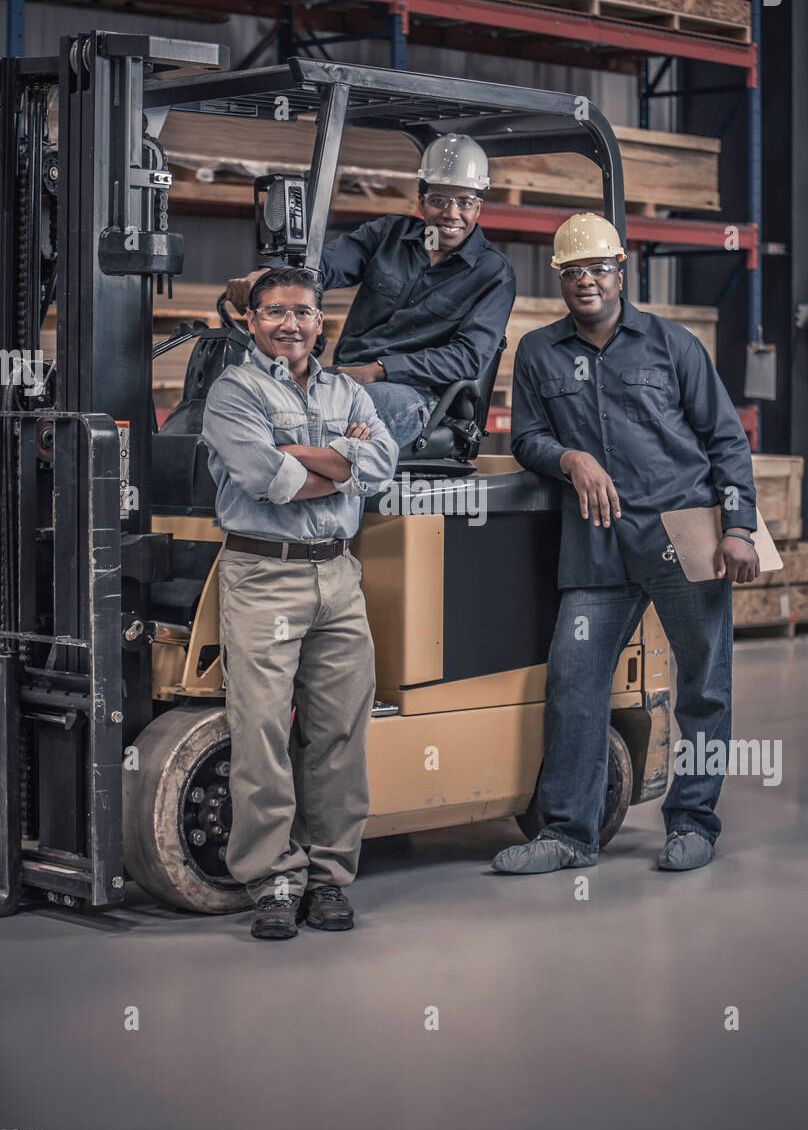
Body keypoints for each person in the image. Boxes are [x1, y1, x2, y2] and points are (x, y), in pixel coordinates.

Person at [491, 213, 760, 878]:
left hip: (685, 534)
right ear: (560, 279)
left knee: (704, 685)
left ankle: (694, 823)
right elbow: (525, 438)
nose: (587, 281)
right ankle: (569, 834)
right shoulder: (538, 352)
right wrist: (569, 458)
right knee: (575, 683)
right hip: (597, 543)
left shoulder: (674, 346)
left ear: (621, 271)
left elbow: (725, 438)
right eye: (573, 271)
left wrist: (739, 526)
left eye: (598, 269)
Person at [201, 266, 398, 940]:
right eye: (276, 312)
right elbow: (266, 478)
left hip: (339, 577)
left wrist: (313, 462)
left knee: (341, 733)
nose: (291, 323)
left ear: (321, 321)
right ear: (252, 320)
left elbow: (382, 468)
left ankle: (329, 878)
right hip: (263, 574)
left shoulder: (349, 389)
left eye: (304, 312)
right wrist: (343, 462)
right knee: (260, 733)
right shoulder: (233, 391)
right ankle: (274, 882)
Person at [226, 134, 516, 449]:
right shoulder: (388, 235)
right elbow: (324, 265)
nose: (451, 214)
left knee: (311, 427)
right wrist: (269, 275)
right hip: (347, 376)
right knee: (246, 400)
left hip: (418, 394)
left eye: (464, 203)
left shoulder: (493, 274)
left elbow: (467, 357)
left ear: (479, 208)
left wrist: (379, 370)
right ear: (421, 202)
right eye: (438, 200)